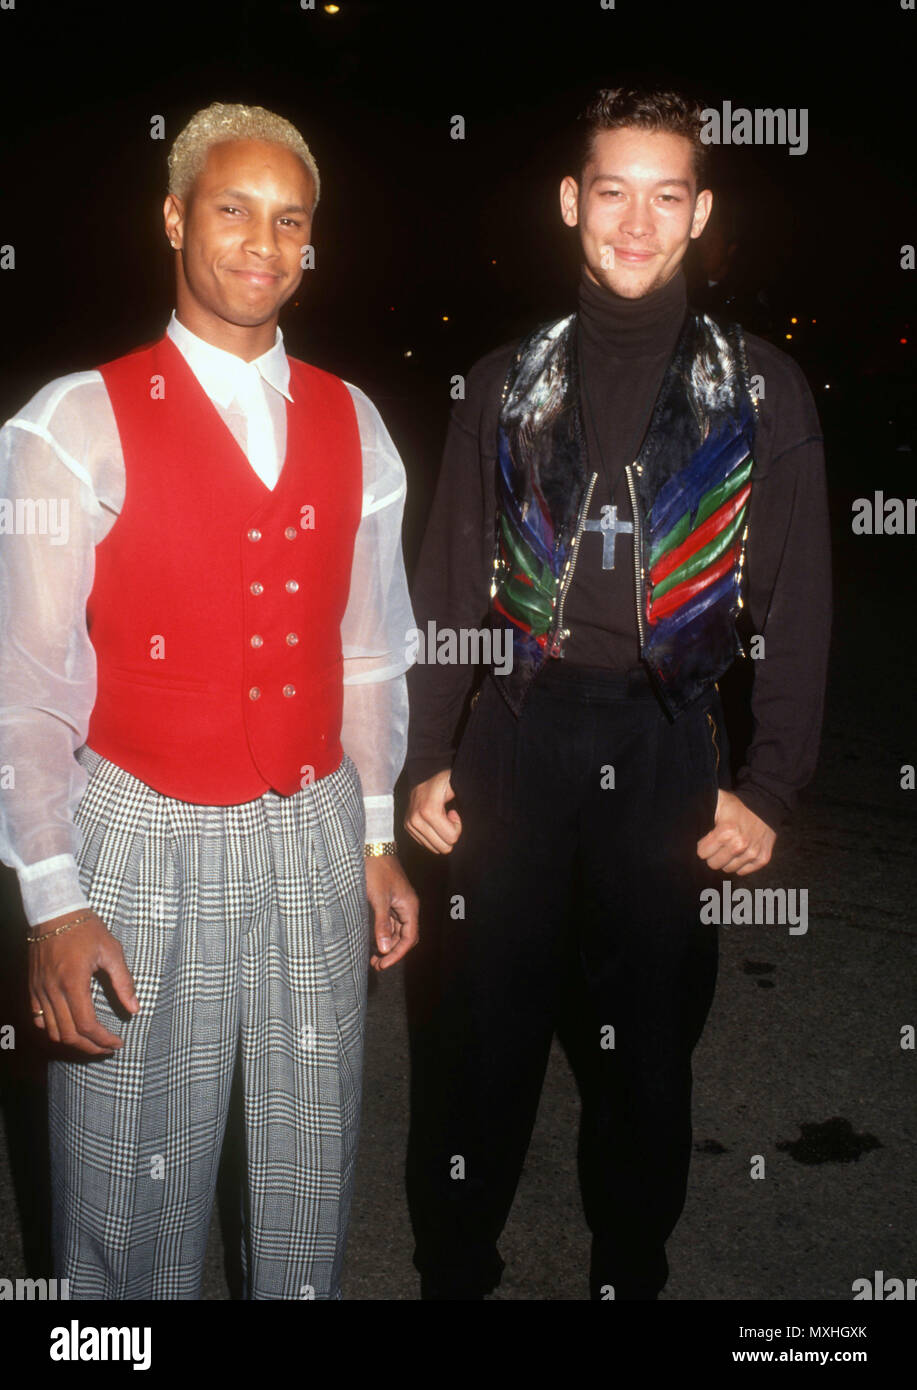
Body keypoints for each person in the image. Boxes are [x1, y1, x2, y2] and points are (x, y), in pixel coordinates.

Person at [403, 87, 831, 1300]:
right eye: (610, 191)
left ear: (697, 212)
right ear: (568, 203)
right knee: (478, 1046)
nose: (633, 221)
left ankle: (626, 1276)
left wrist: (768, 786)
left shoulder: (762, 389)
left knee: (645, 1060)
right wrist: (425, 755)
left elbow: (796, 607)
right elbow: (446, 578)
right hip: (518, 739)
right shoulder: (499, 381)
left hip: (662, 748)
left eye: (662, 196)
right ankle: (452, 1270)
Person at [0, 101, 419, 1300]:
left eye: (290, 221)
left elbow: (369, 652)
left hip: (313, 826)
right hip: (137, 828)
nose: (261, 242)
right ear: (176, 216)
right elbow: (23, 688)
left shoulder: (359, 422)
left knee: (308, 1177)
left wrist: (378, 840)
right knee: (129, 1195)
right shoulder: (72, 420)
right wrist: (52, 900)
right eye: (232, 209)